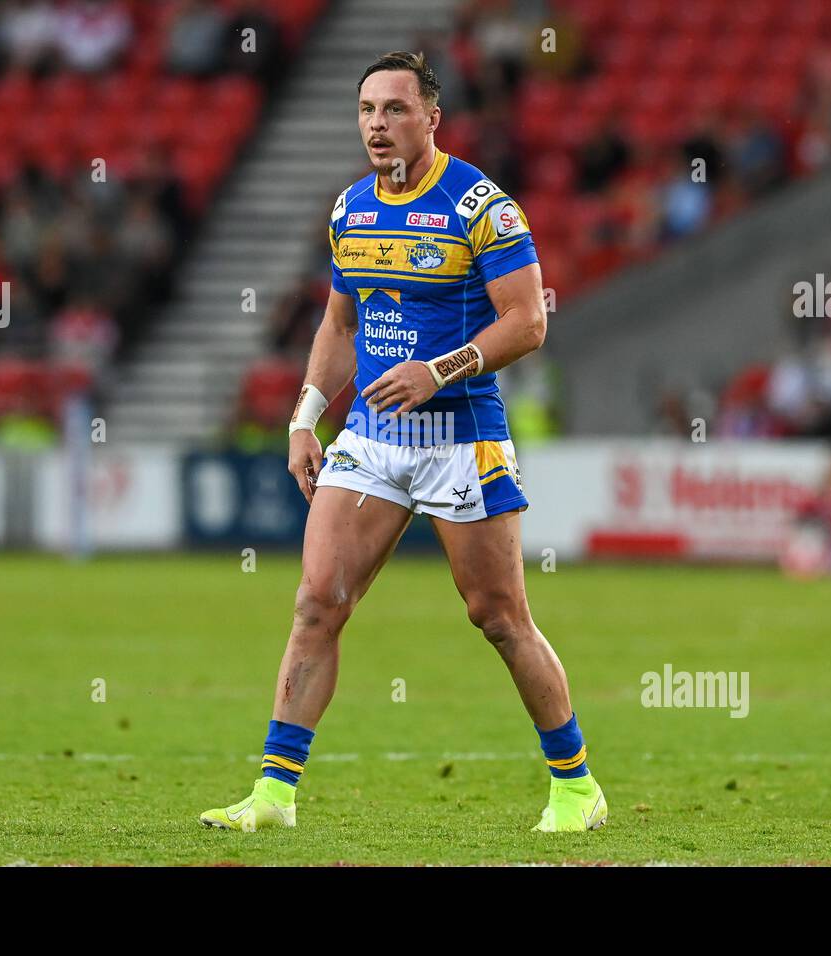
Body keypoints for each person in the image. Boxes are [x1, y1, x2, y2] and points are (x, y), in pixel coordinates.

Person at [200, 52, 606, 834]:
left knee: (497, 616)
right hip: (373, 436)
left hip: (461, 437)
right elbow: (340, 324)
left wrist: (438, 370)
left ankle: (575, 784)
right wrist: (304, 416)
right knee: (317, 604)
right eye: (365, 111)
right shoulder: (351, 208)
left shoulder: (482, 206)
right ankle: (274, 796)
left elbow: (528, 320)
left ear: (431, 118)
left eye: (393, 110)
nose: (376, 125)